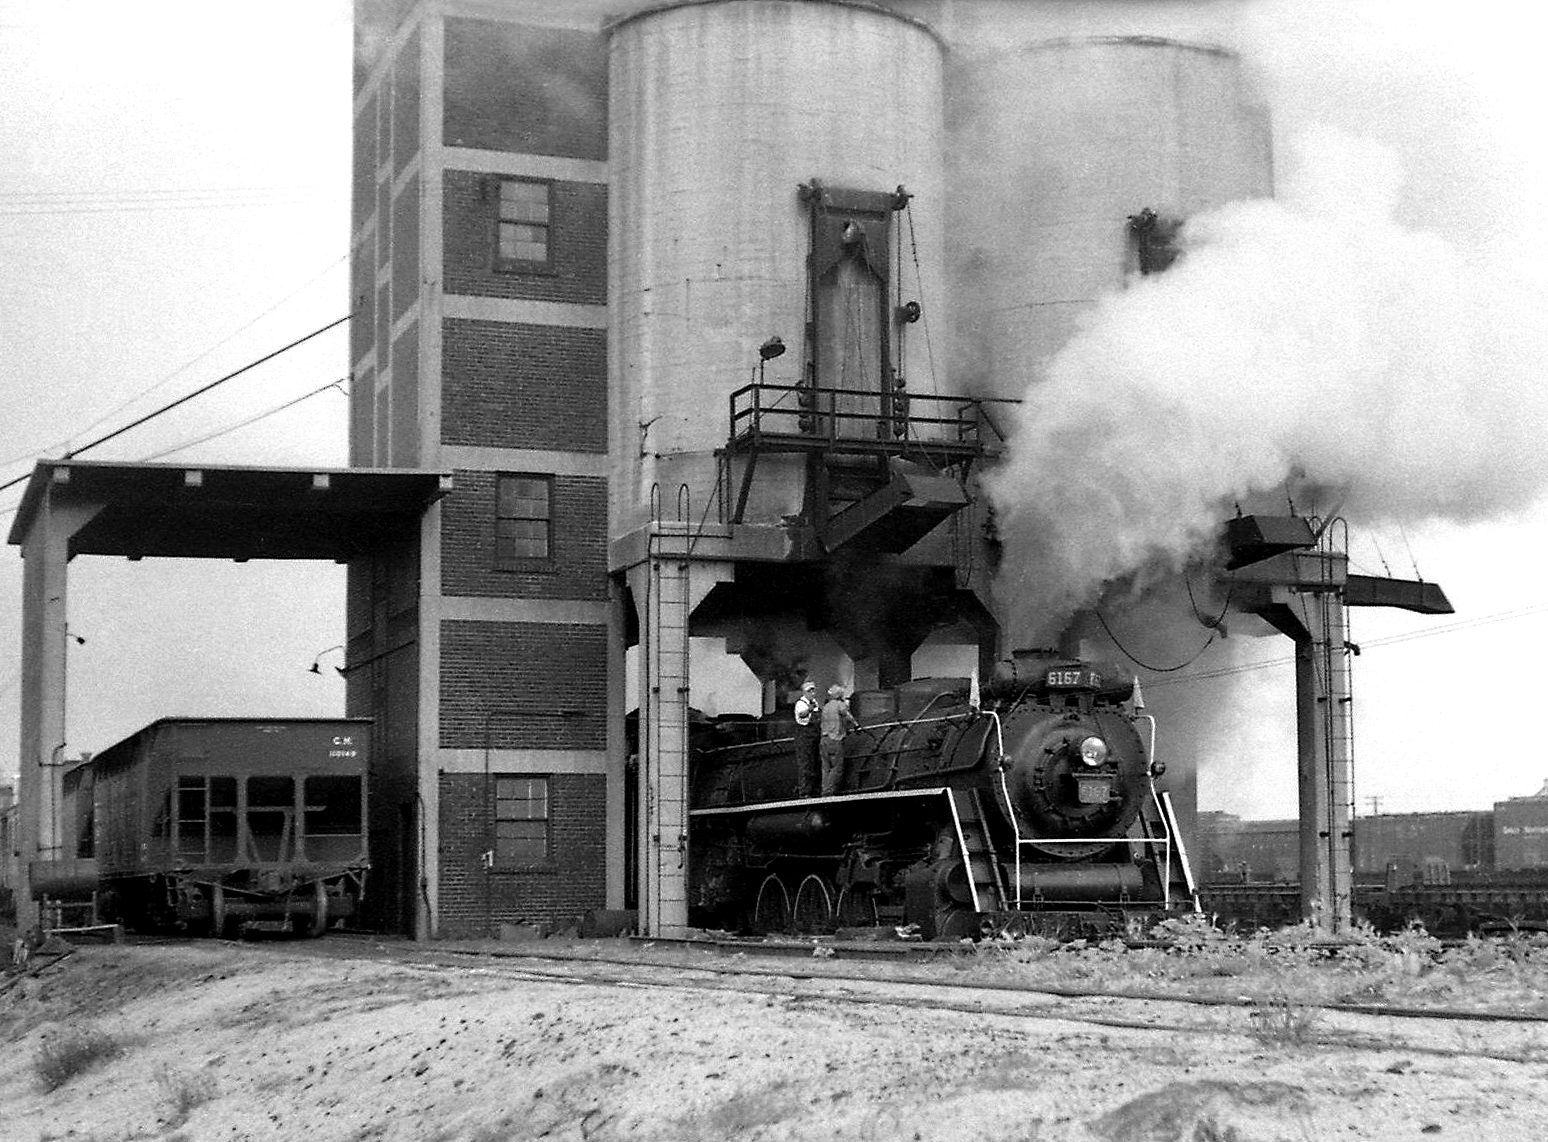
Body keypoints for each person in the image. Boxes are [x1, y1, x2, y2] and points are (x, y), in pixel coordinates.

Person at [819, 684, 858, 796]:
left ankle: (824, 789)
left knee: (825, 768)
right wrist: (856, 725)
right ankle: (829, 791)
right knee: (837, 767)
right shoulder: (839, 705)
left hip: (824, 739)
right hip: (835, 739)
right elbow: (847, 715)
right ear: (840, 695)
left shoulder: (826, 706)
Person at [792, 680, 821, 797]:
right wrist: (809, 709)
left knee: (815, 762)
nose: (813, 693)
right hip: (804, 736)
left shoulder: (815, 703)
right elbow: (801, 714)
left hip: (815, 735)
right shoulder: (800, 704)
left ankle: (815, 789)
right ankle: (805, 791)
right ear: (805, 692)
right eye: (810, 691)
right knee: (805, 764)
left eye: (814, 690)